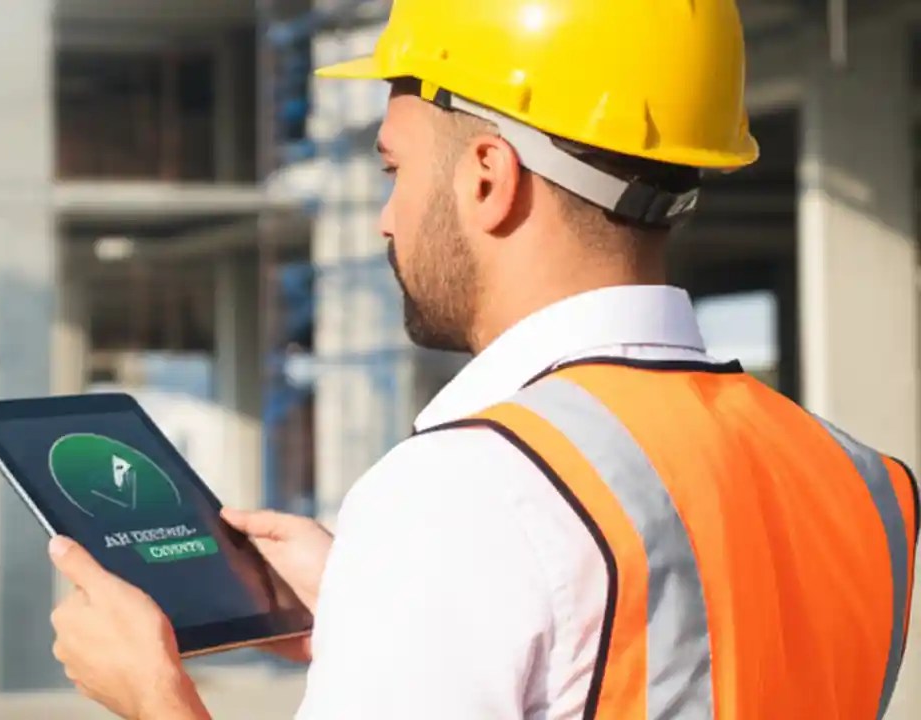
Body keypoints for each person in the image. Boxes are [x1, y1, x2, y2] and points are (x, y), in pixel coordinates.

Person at [46, 0, 920, 717]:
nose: (384, 218)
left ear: (488, 178)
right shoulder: (862, 480)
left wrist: (154, 694)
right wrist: (383, 605)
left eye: (393, 169)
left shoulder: (468, 488)